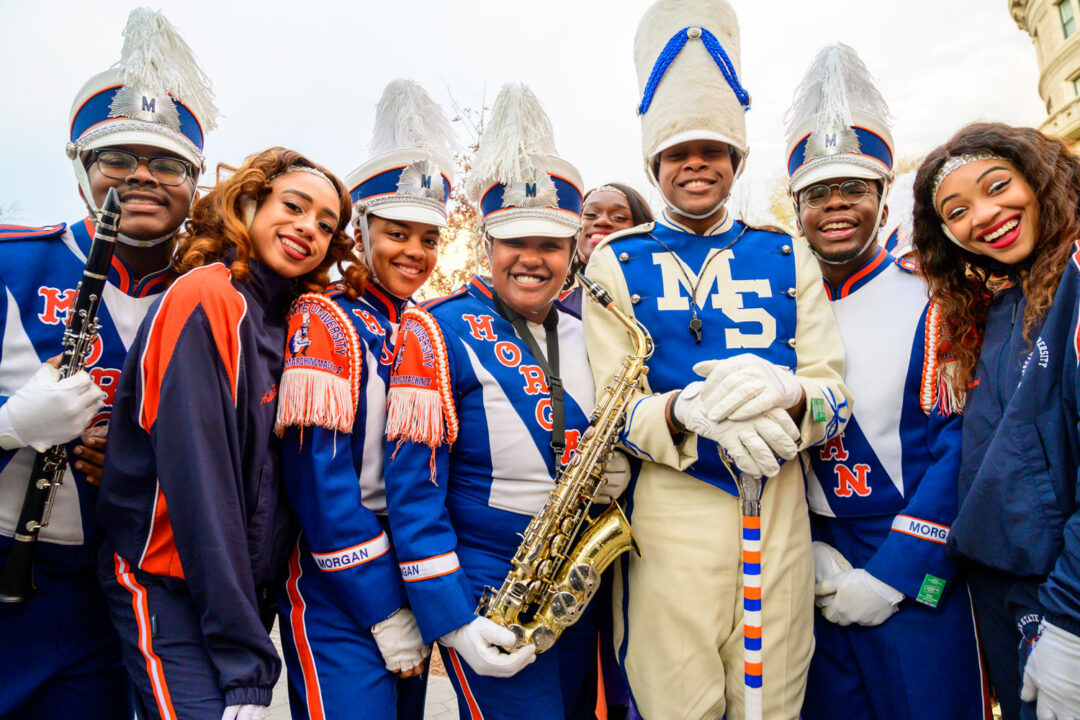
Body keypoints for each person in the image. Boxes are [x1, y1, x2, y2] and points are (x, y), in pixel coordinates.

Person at [583, 2, 851, 718]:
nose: (696, 164)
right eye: (678, 153)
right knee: (679, 703)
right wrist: (685, 412)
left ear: (736, 163)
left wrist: (790, 394)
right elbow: (611, 405)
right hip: (669, 512)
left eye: (713, 151)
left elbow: (833, 392)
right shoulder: (615, 259)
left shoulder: (785, 249)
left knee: (774, 700)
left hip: (781, 504)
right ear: (655, 165)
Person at [383, 83, 628, 720]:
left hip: (584, 577)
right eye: (514, 241)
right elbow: (412, 490)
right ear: (487, 244)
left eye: (550, 244)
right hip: (493, 581)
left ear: (573, 250)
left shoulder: (593, 331)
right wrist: (453, 617)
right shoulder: (433, 329)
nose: (531, 259)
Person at [0, 9, 217, 717]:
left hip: (127, 600)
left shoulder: (214, 295)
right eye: (117, 159)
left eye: (167, 164)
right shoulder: (11, 260)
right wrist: (9, 427)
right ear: (83, 167)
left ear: (195, 181)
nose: (141, 178)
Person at [96, 147, 354, 720]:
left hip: (233, 597)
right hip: (166, 580)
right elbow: (201, 486)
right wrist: (246, 663)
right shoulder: (206, 296)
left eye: (326, 224)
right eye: (294, 205)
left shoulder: (293, 318)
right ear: (250, 203)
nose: (308, 228)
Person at [784, 45, 987, 720]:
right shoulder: (775, 303)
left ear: (881, 195)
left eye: (855, 191)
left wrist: (896, 573)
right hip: (809, 558)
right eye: (819, 194)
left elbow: (963, 445)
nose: (837, 206)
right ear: (797, 206)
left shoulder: (933, 293)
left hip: (915, 552)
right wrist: (800, 541)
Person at [273, 78, 457, 720]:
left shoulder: (426, 326)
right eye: (397, 232)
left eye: (429, 239)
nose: (415, 252)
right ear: (362, 229)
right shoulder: (322, 319)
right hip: (338, 577)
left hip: (411, 561)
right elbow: (318, 483)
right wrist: (380, 607)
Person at [913, 122, 1080, 720]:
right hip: (1004, 593)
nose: (982, 215)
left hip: (1061, 598)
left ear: (1038, 179)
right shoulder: (998, 299)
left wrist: (1069, 621)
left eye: (997, 186)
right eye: (957, 211)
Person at [562, 183, 653, 314]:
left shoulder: (662, 296)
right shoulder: (554, 304)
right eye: (591, 214)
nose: (602, 221)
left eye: (619, 217)